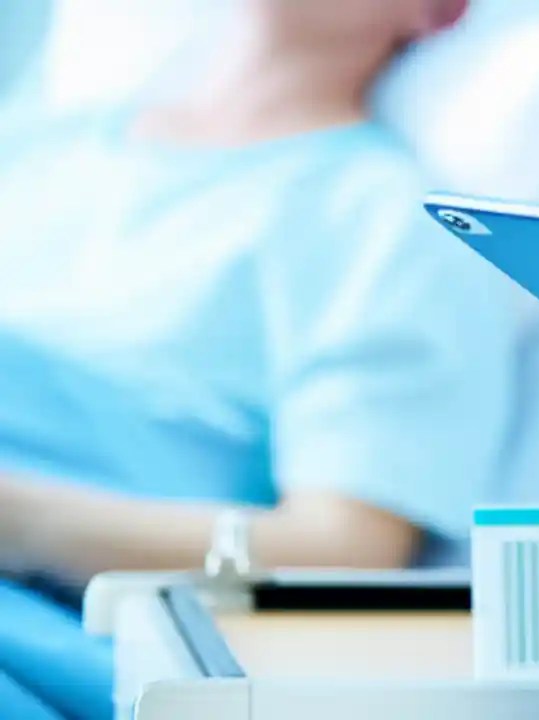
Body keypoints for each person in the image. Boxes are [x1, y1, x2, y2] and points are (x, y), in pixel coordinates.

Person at [0, 1, 511, 718]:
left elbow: (348, 551)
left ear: (437, 12)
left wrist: (20, 520)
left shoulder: (382, 222)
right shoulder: (40, 145)